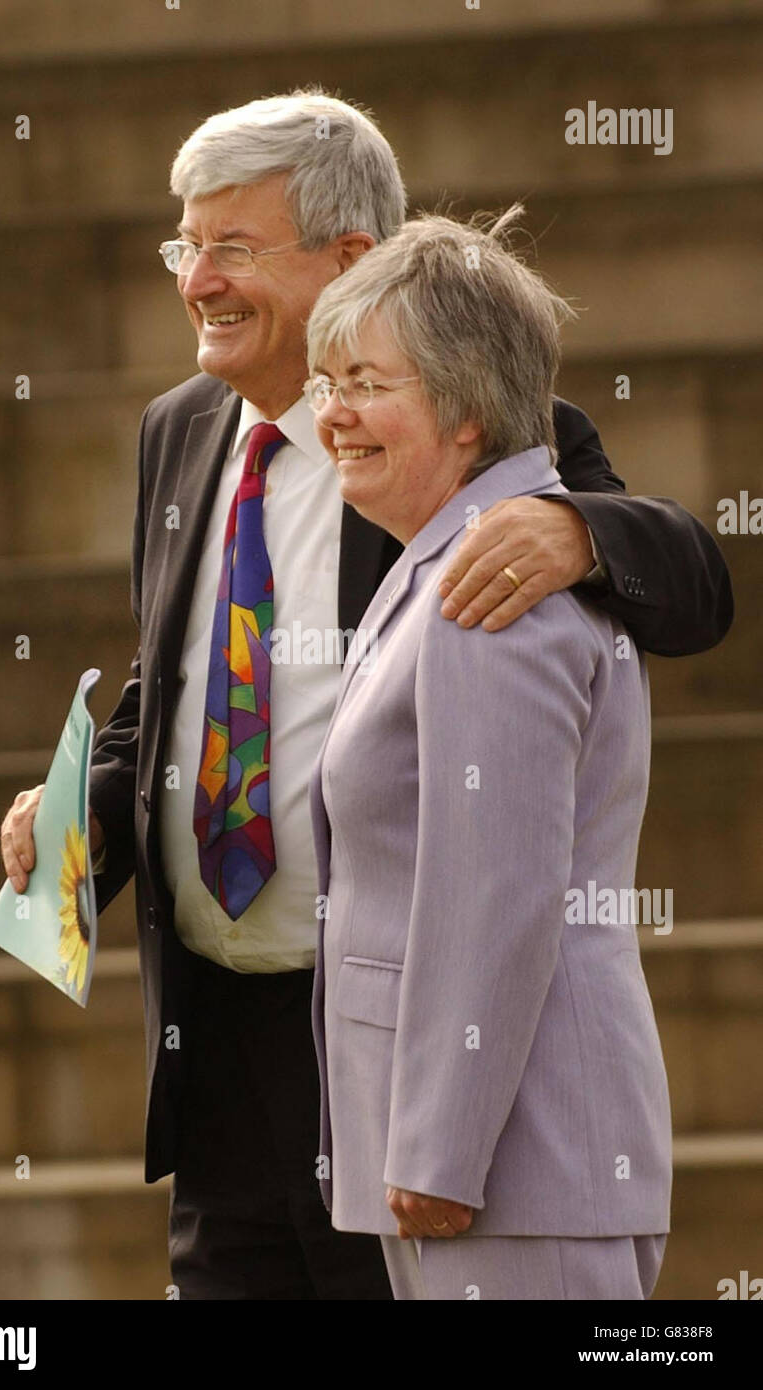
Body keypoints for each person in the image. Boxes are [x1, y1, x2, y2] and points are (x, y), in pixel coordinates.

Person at [0, 91, 729, 1301]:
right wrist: (84, 804)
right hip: (213, 1048)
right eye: (185, 247)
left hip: (386, 1058)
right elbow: (172, 686)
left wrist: (575, 529)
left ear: (350, 257)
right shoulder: (175, 432)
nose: (196, 281)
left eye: (231, 247)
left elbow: (694, 582)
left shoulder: (451, 424)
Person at [305, 207, 673, 1301]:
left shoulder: (493, 582)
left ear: (466, 408)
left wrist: (436, 1145)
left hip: (511, 1167)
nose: (332, 415)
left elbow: (498, 887)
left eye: (365, 382)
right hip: (492, 1168)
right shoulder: (450, 557)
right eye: (325, 383)